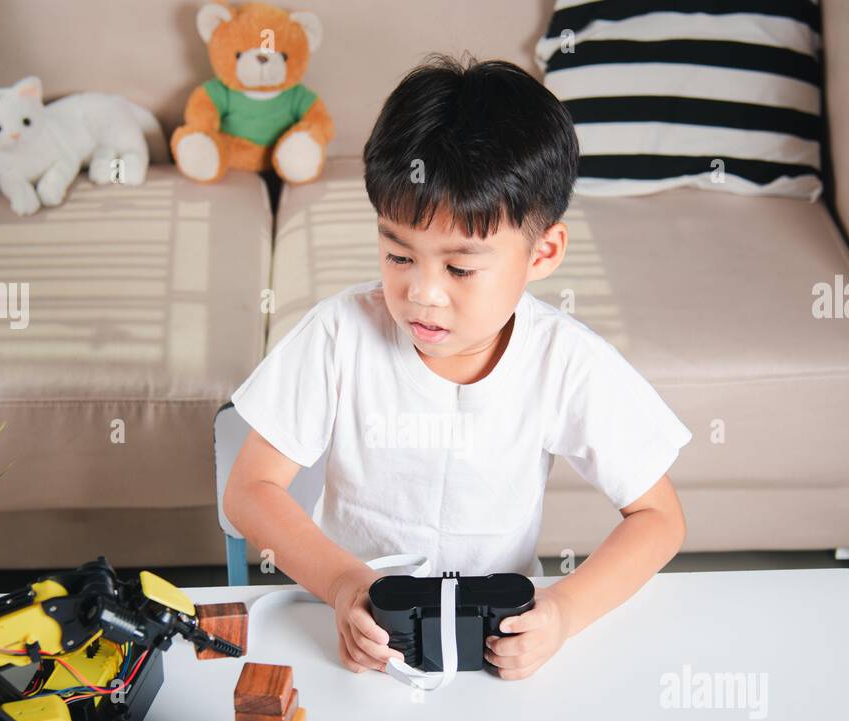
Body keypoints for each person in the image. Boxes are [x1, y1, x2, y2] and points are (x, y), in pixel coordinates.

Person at [225, 54, 692, 681]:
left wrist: (562, 613)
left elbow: (659, 520)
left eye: (460, 268)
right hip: (360, 638)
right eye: (398, 255)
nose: (422, 293)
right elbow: (250, 491)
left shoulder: (564, 360)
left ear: (542, 251)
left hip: (501, 646)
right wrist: (342, 585)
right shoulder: (340, 335)